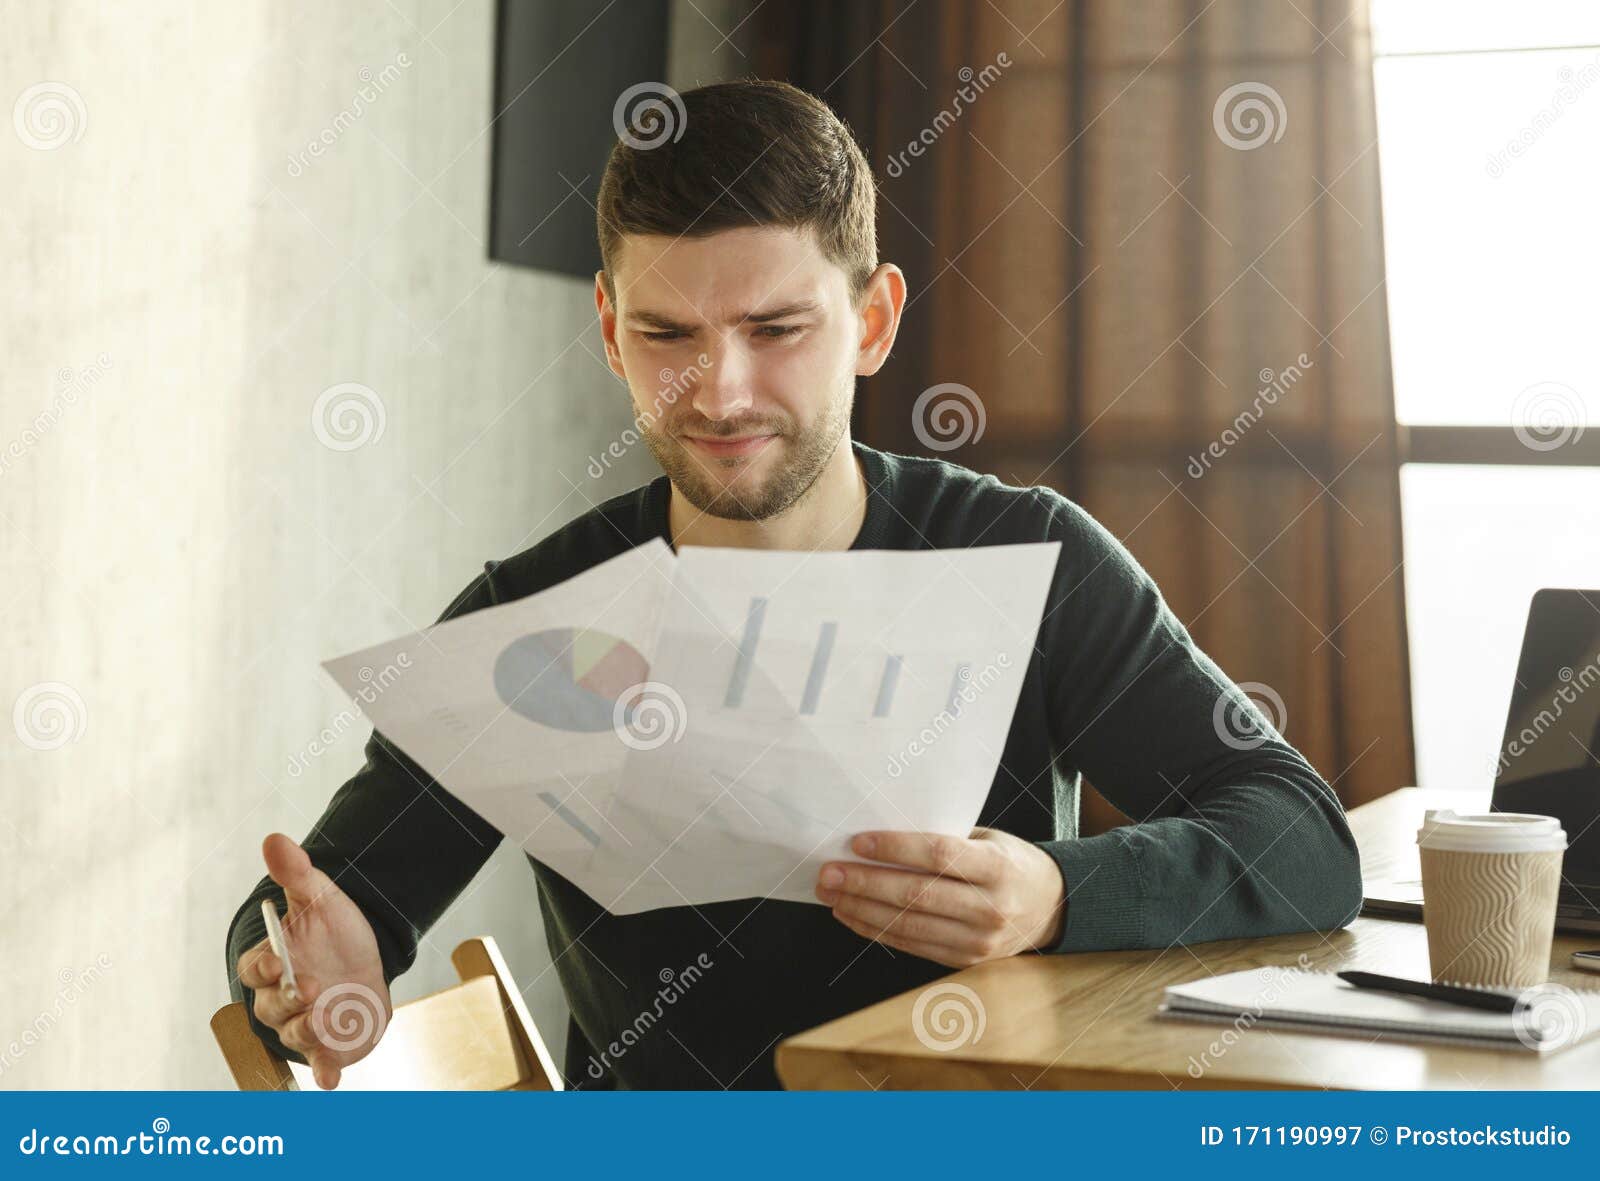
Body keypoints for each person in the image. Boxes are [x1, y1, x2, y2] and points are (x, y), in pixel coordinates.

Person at [227, 79, 1362, 1091]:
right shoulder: (538, 613)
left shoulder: (1024, 560)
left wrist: (1056, 893)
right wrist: (300, 964)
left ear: (870, 321)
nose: (719, 392)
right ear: (611, 335)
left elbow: (1301, 836)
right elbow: (333, 902)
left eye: (775, 330)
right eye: (668, 332)